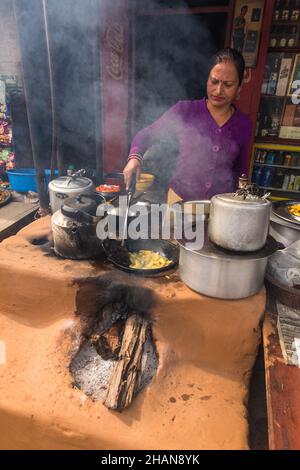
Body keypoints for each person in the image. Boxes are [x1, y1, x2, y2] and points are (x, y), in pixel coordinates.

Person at [123, 47, 252, 203]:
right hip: (179, 202)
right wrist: (134, 159)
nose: (218, 90)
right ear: (207, 80)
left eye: (228, 84)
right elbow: (146, 135)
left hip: (221, 207)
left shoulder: (243, 124)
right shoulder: (185, 111)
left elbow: (241, 172)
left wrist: (241, 203)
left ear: (239, 88)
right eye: (214, 81)